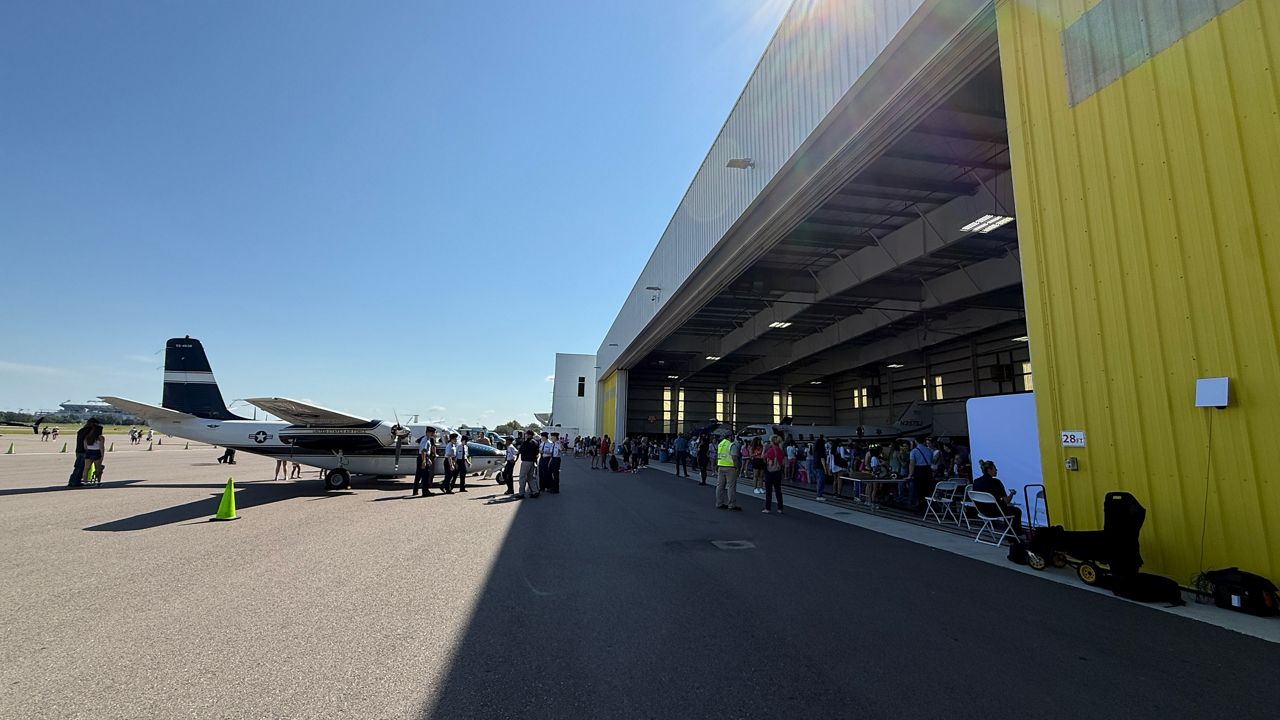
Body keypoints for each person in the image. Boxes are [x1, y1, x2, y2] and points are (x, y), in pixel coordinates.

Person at [972, 459, 1023, 536]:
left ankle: (1011, 534)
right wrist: (1012, 493)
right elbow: (1007, 501)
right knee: (1016, 511)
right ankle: (1014, 534)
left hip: (982, 511)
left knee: (1006, 508)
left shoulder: (976, 482)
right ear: (989, 470)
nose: (996, 470)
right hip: (995, 511)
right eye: (995, 468)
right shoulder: (996, 482)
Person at [67, 418, 99, 488]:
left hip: (78, 450)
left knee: (77, 467)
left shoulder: (81, 430)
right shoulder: (90, 431)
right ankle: (76, 482)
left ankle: (72, 481)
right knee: (81, 467)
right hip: (85, 450)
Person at [908, 437, 935, 511]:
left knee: (918, 490)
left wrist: (910, 474)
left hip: (918, 470)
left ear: (916, 441)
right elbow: (932, 460)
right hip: (928, 470)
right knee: (926, 490)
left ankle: (918, 507)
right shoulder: (929, 450)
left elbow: (912, 464)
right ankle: (926, 507)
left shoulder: (914, 451)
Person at [715, 435, 741, 511]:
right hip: (730, 467)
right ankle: (731, 505)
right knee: (731, 487)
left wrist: (717, 465)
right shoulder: (731, 445)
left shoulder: (720, 444)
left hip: (721, 466)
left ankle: (719, 503)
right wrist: (737, 467)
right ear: (730, 436)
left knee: (720, 486)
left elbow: (718, 455)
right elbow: (734, 457)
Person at [762, 435, 785, 514]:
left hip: (770, 472)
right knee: (778, 490)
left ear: (772, 442)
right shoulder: (780, 450)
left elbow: (768, 461)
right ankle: (780, 508)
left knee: (769, 491)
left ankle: (768, 508)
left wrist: (764, 449)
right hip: (778, 472)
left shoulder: (771, 450)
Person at [413, 427, 437, 496]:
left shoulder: (427, 439)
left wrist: (427, 458)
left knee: (419, 475)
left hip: (422, 457)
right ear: (428, 432)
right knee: (425, 475)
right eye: (432, 432)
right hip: (422, 457)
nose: (433, 434)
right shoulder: (425, 440)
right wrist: (424, 461)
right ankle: (425, 491)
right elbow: (423, 451)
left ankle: (415, 490)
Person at [518, 430, 541, 498]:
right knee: (531, 477)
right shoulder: (535, 442)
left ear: (528, 435)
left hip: (526, 461)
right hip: (532, 461)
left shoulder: (526, 442)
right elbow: (537, 452)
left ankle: (521, 493)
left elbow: (521, 450)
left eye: (526, 434)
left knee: (522, 477)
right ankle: (535, 491)